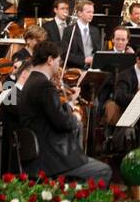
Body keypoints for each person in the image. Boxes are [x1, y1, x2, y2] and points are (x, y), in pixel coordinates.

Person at [17, 40, 112, 182]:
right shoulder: (44, 86)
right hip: (51, 157)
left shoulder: (31, 82)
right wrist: (75, 117)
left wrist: (69, 103)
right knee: (103, 171)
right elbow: (62, 123)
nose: (59, 65)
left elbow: (50, 112)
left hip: (40, 153)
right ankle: (80, 201)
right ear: (49, 60)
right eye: (58, 61)